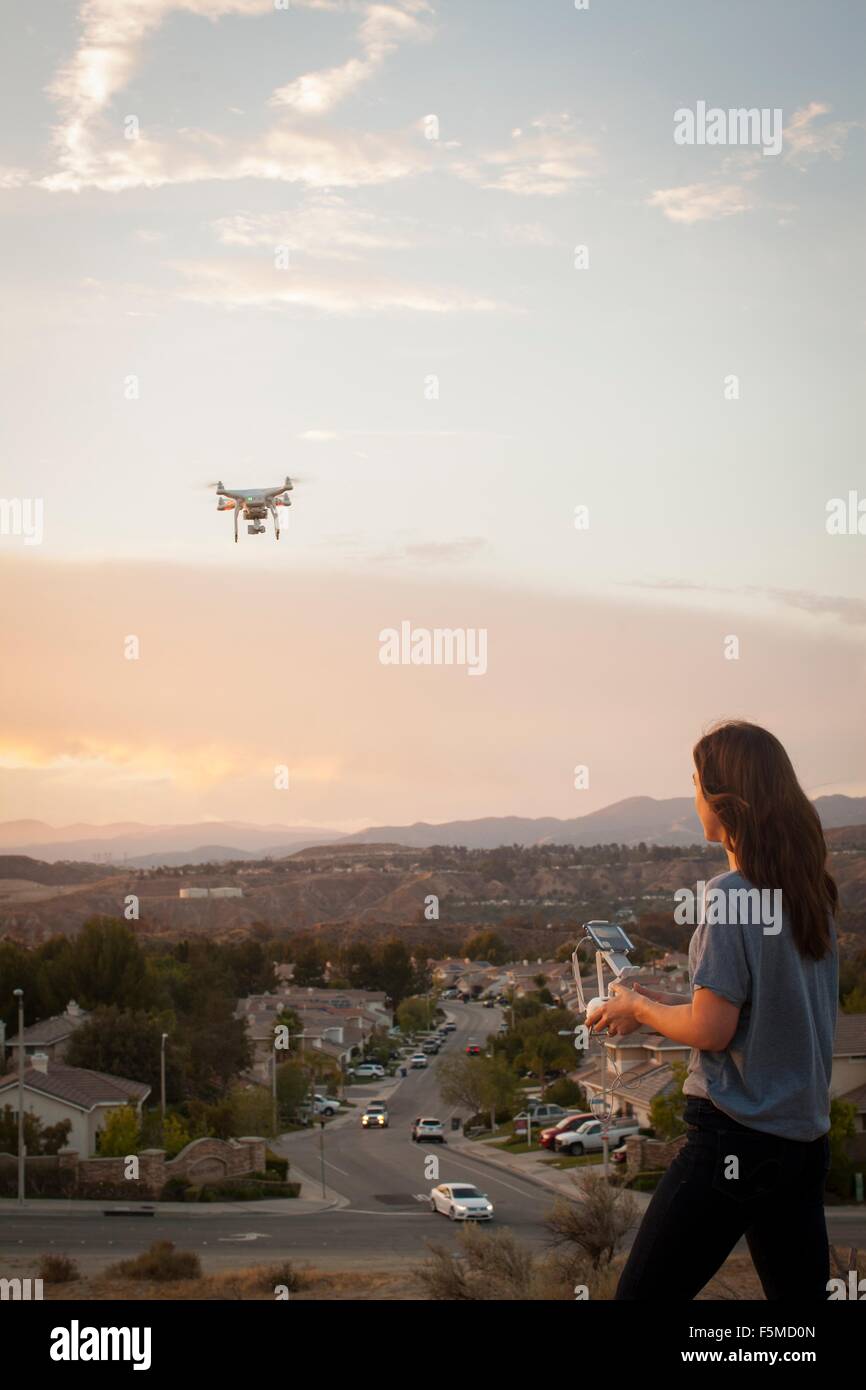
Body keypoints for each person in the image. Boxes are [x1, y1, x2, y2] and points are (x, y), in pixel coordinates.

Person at [590, 721, 839, 1301]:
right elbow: (750, 1014)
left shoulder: (730, 894)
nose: (693, 794)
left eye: (697, 782)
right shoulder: (809, 892)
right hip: (802, 1147)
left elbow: (711, 1029)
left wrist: (641, 1012)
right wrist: (648, 1002)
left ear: (727, 801)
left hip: (736, 1142)